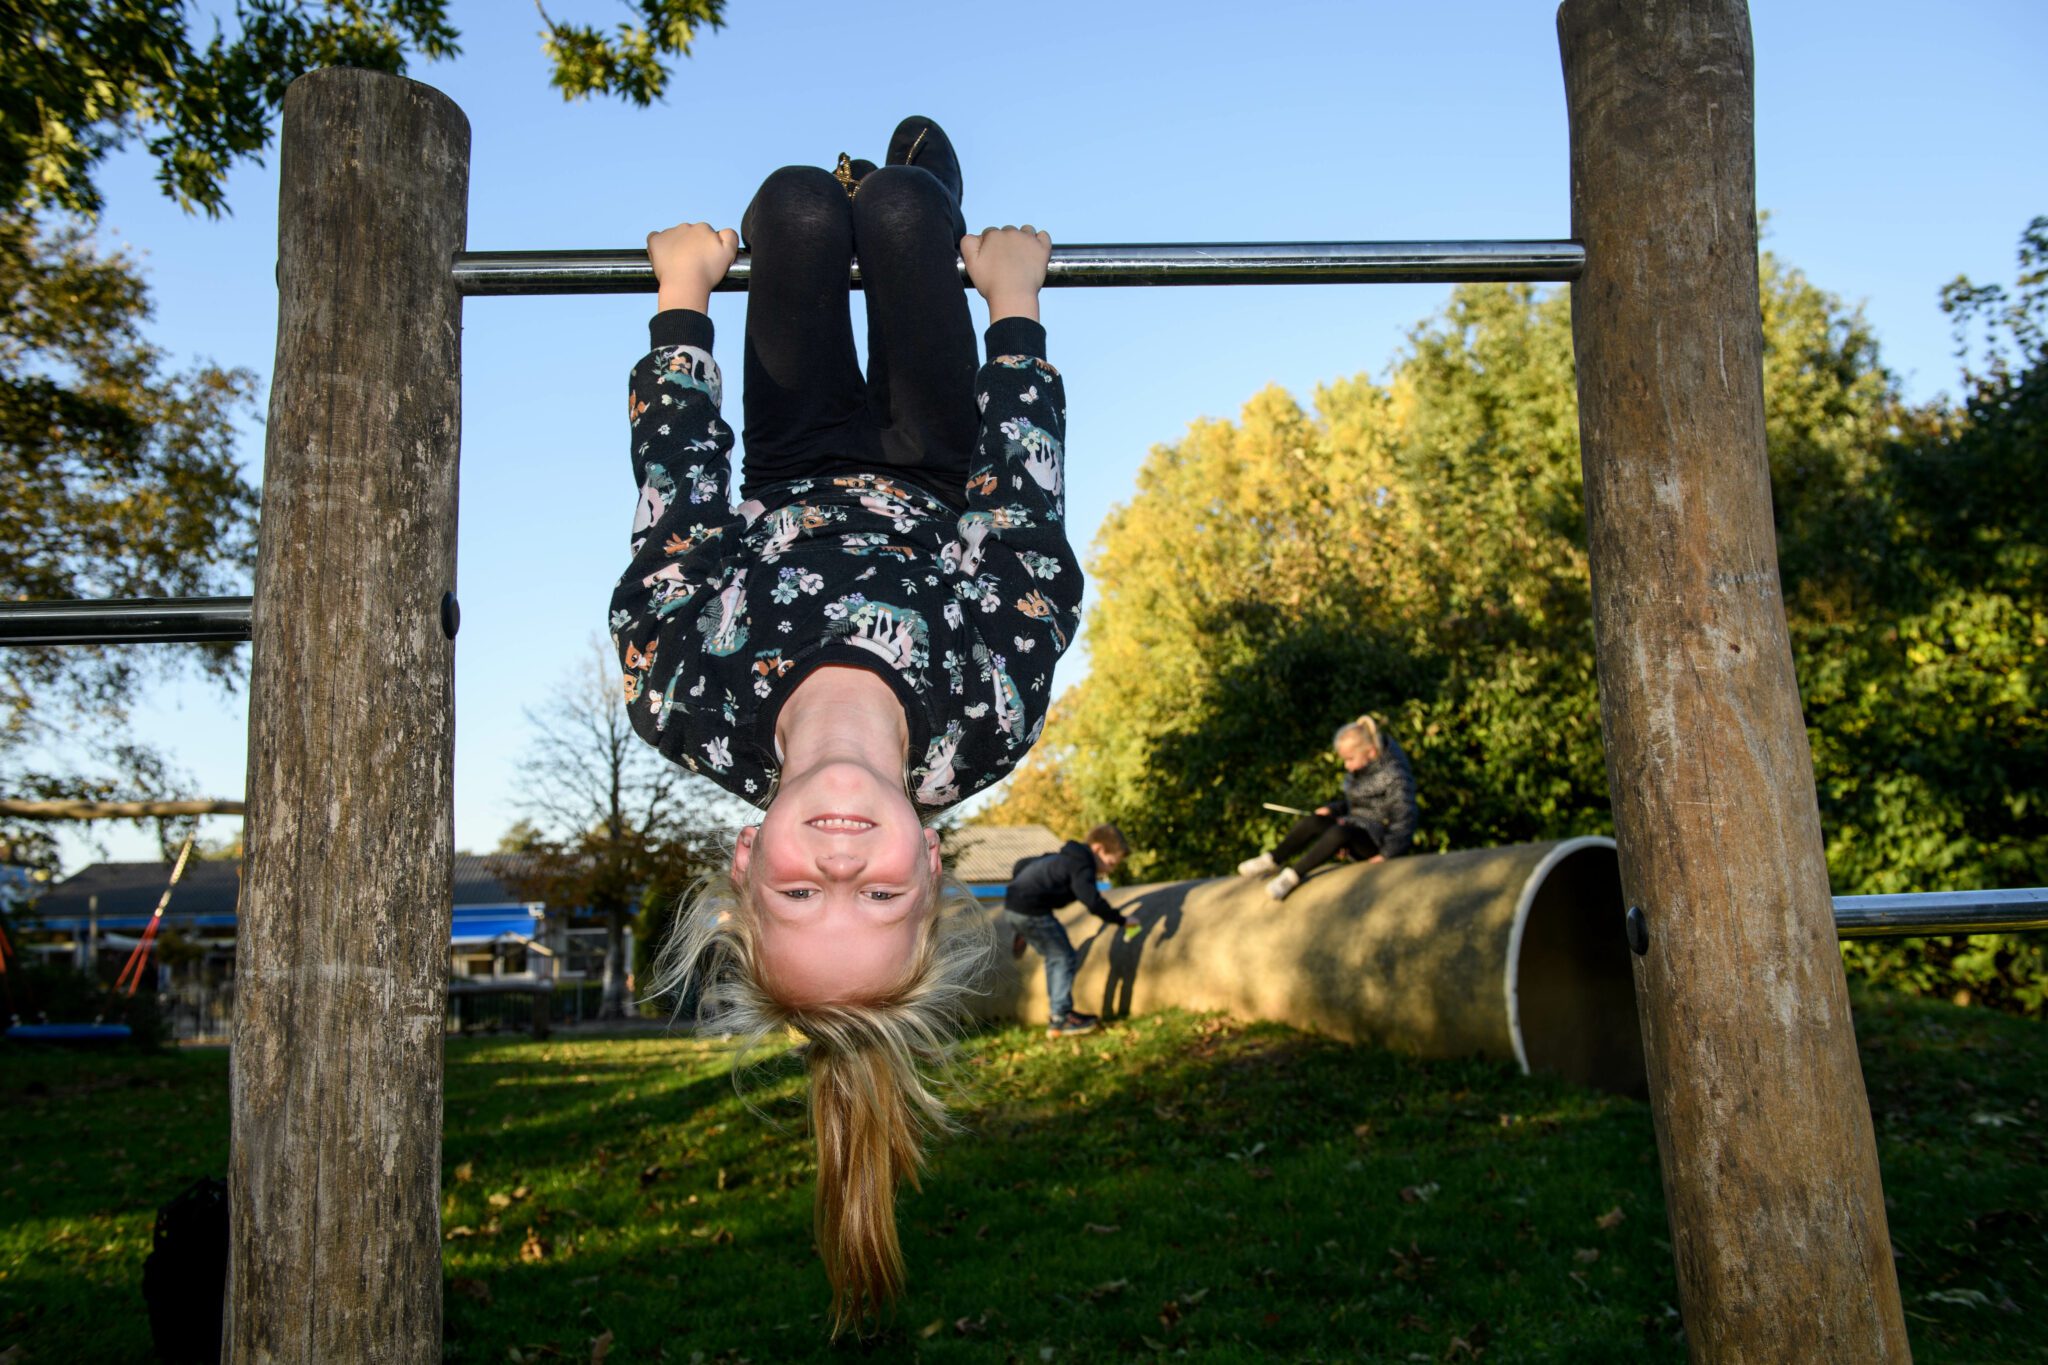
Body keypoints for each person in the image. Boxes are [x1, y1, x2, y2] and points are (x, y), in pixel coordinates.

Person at [611, 118, 1082, 1333]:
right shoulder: (983, 722)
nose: (833, 865)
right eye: (872, 898)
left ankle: (859, 204)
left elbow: (675, 511)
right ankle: (918, 200)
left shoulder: (681, 699)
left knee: (796, 211)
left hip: (789, 459)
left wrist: (679, 307)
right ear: (929, 866)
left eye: (795, 895)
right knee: (916, 216)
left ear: (744, 866)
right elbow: (1025, 531)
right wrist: (1016, 316)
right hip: (938, 466)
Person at [1238, 715, 1417, 900]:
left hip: (1377, 841)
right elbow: (1354, 803)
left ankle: (1293, 876)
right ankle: (1273, 859)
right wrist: (1333, 810)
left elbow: (1405, 816)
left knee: (1340, 832)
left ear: (1371, 752)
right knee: (1314, 821)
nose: (1347, 766)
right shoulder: (1360, 771)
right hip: (1354, 827)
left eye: (1350, 759)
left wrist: (1388, 853)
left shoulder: (1395, 775)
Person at [1002, 824, 1131, 1037]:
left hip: (1016, 906)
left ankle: (1058, 1015)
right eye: (1110, 863)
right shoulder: (1082, 864)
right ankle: (1061, 1018)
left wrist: (1021, 887)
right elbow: (1092, 901)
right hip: (1032, 911)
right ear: (1098, 849)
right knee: (1063, 957)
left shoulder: (1062, 857)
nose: (1110, 870)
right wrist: (1122, 920)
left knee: (1056, 957)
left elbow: (1022, 864)